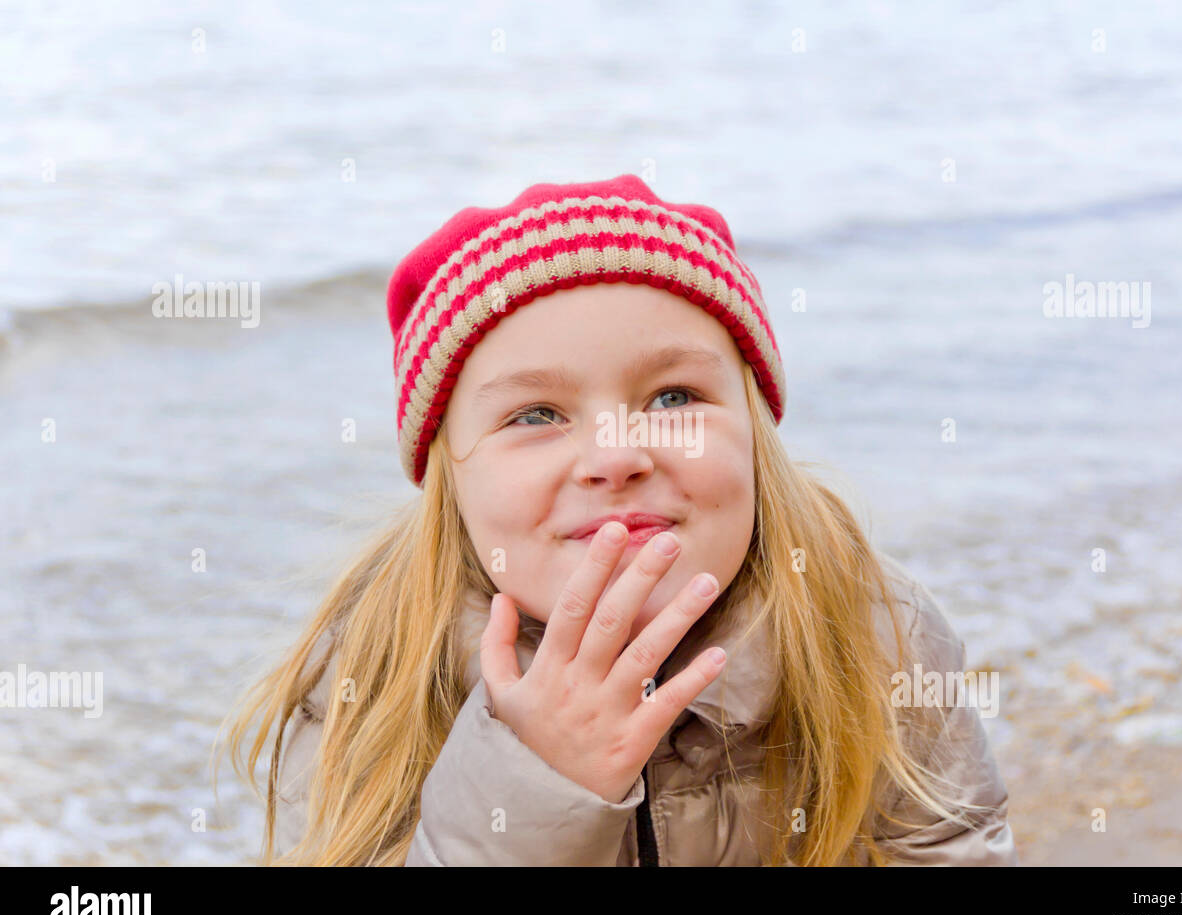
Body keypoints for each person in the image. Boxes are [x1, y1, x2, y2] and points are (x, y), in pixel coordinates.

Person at [223, 174, 1018, 866]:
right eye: (536, 413)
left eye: (674, 398)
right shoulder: (375, 662)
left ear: (753, 431)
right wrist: (535, 783)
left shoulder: (872, 624)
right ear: (448, 479)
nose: (615, 454)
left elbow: (950, 846)